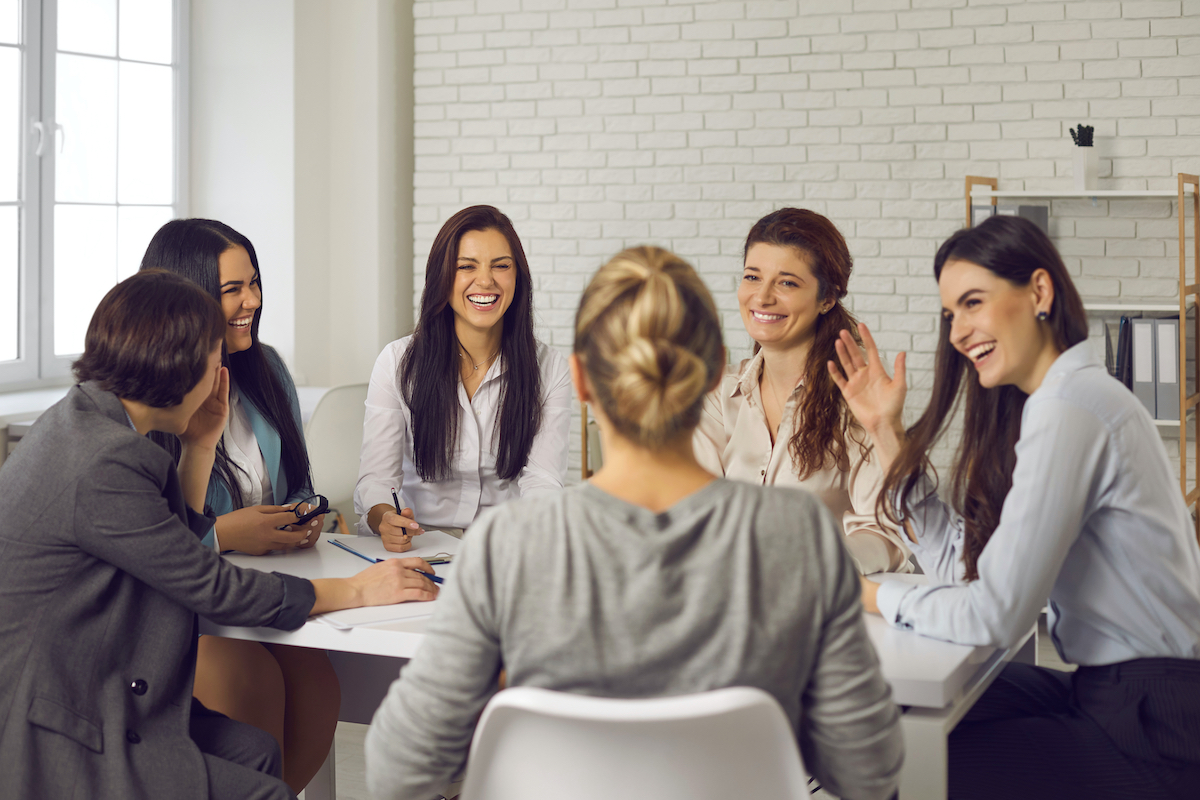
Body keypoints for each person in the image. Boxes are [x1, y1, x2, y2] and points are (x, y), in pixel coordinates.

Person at [364, 246, 903, 800]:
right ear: (715, 371)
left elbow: (396, 770)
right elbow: (869, 769)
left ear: (579, 379)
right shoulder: (799, 533)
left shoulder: (506, 544)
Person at [0, 270, 438, 800]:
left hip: (88, 688)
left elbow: (171, 543)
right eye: (214, 360)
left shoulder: (88, 420)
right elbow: (207, 582)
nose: (219, 374)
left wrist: (201, 446)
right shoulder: (106, 460)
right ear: (178, 365)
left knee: (256, 752)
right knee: (263, 788)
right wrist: (356, 591)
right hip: (61, 722)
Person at [829, 215, 1200, 799]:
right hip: (1117, 695)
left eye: (972, 303)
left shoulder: (1071, 408)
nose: (957, 332)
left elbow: (995, 614)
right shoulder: (1059, 401)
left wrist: (867, 595)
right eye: (950, 314)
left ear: (1039, 292)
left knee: (898, 764)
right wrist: (883, 429)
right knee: (884, 719)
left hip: (1155, 725)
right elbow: (972, 572)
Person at [140, 219, 336, 793]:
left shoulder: (267, 370)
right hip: (186, 607)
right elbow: (149, 538)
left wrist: (301, 515)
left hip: (262, 585)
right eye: (233, 289)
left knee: (318, 680)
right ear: (190, 296)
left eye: (254, 283)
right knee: (252, 680)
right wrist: (225, 533)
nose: (252, 300)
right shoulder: (152, 398)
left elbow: (297, 481)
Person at [693, 208, 911, 574]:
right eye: (752, 277)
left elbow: (886, 533)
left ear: (827, 299)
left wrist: (813, 563)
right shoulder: (719, 395)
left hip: (829, 596)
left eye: (787, 283)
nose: (762, 297)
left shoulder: (856, 396)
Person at [355, 205, 572, 549]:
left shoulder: (549, 368)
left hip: (505, 544)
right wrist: (386, 518)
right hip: (420, 543)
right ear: (441, 277)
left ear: (518, 277)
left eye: (501, 266)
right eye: (466, 266)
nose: (485, 281)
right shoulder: (397, 362)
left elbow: (543, 481)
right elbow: (378, 481)